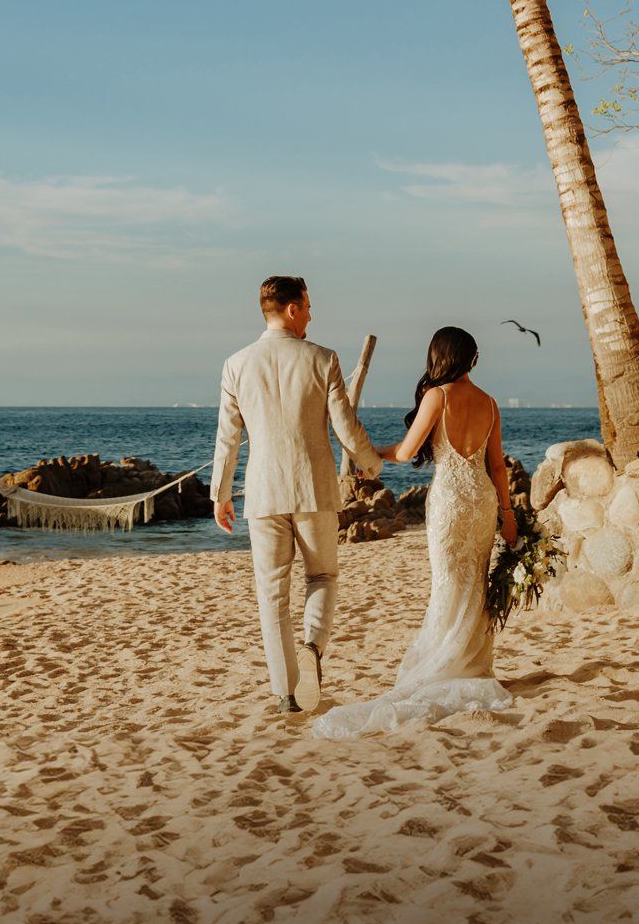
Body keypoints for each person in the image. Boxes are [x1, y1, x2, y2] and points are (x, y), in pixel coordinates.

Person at [312, 325, 517, 739]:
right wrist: (509, 515)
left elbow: (406, 452)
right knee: (474, 581)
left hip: (450, 502)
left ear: (438, 357)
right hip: (481, 502)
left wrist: (367, 454)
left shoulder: (437, 396)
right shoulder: (490, 403)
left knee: (447, 583)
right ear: (471, 359)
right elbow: (497, 468)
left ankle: (445, 666)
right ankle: (474, 666)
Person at [211, 276, 383, 715]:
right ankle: (313, 646)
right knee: (323, 577)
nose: (311, 314)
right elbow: (345, 428)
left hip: (263, 492)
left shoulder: (236, 364)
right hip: (314, 489)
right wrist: (372, 462)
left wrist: (221, 494)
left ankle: (286, 693)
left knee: (271, 594)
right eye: (307, 306)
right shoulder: (323, 359)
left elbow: (228, 439)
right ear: (291, 309)